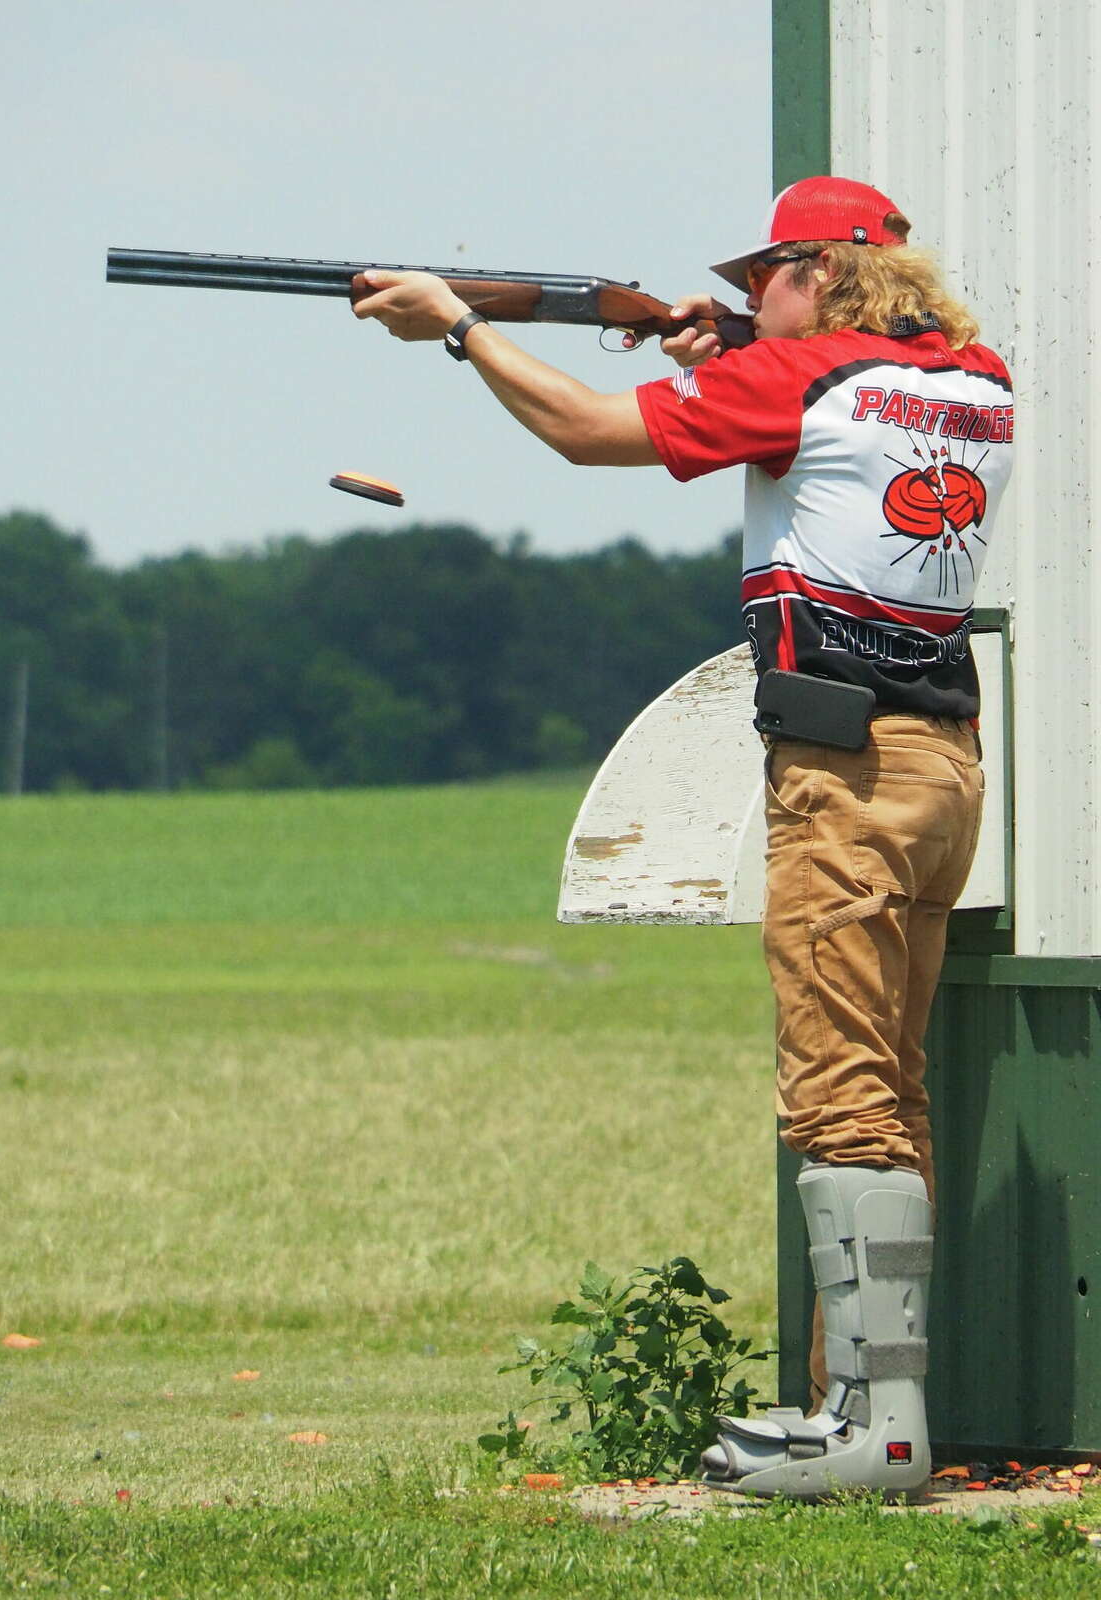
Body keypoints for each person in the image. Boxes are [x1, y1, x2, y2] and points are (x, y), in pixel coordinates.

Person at [354, 176, 1015, 1500]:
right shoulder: (976, 377)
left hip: (839, 772)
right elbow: (843, 419)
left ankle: (873, 1432)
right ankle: (866, 1409)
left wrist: (459, 329)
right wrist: (728, 353)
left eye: (764, 272)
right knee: (889, 1089)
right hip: (942, 764)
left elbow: (588, 432)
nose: (745, 290)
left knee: (837, 1091)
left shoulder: (801, 380)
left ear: (821, 275)